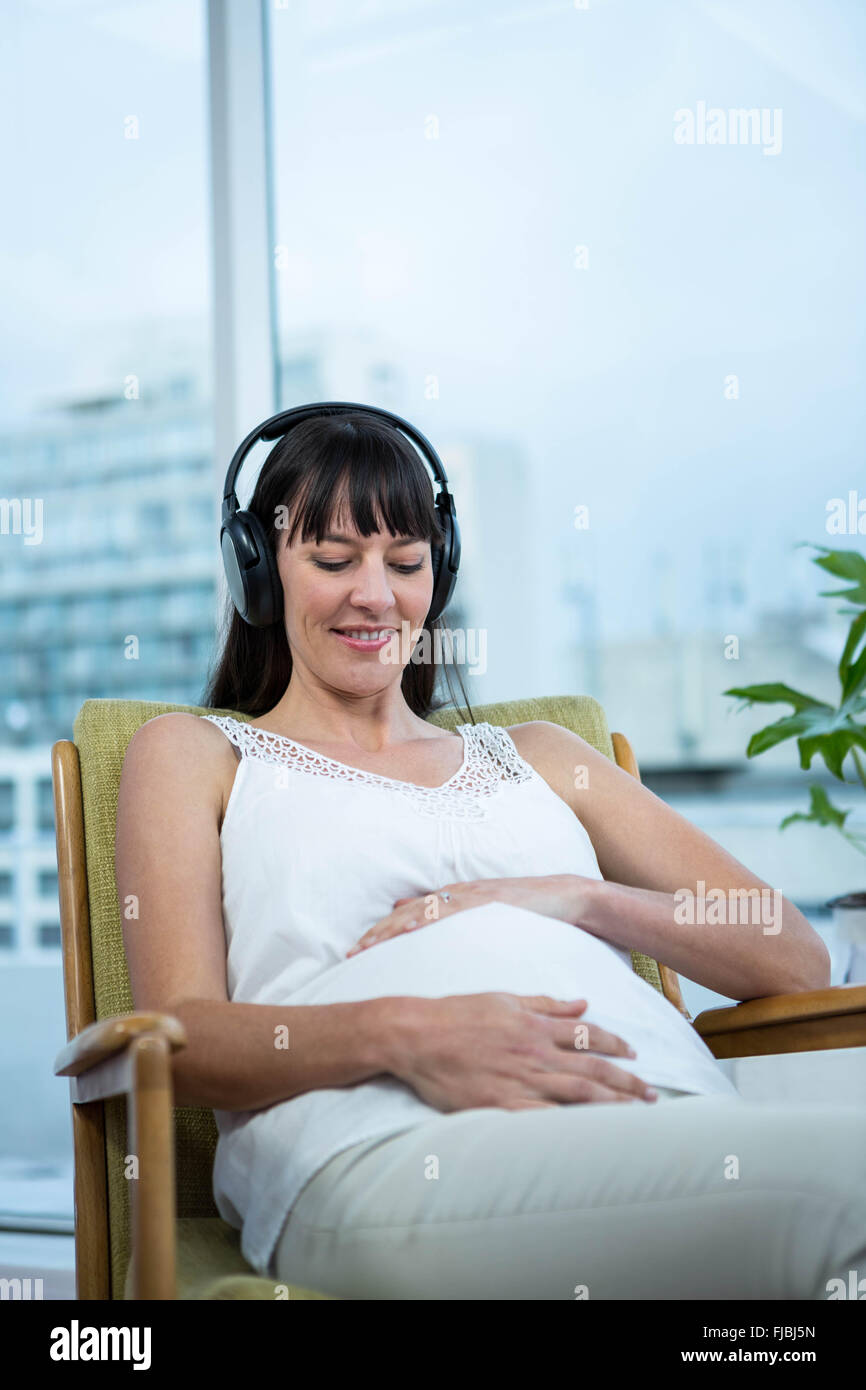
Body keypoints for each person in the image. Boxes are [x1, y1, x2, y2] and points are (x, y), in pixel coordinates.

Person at [115, 410, 866, 1300]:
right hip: (384, 1148)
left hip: (664, 1116)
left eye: (404, 562)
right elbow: (182, 1038)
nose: (376, 596)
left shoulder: (542, 756)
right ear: (260, 576)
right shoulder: (195, 756)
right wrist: (413, 1033)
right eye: (332, 561)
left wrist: (570, 899)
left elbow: (789, 949)